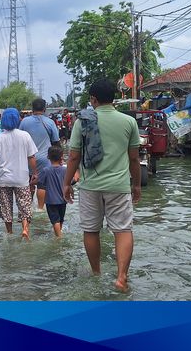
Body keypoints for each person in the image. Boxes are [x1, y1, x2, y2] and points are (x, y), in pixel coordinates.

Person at [62, 79, 141, 292]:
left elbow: (73, 157)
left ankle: (96, 272)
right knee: (123, 230)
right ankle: (121, 277)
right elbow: (134, 159)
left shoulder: (82, 121)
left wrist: (66, 183)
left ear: (93, 99)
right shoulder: (128, 122)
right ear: (114, 98)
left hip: (90, 186)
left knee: (91, 230)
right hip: (119, 186)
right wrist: (137, 185)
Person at [0, 108, 37, 239]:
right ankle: (25, 229)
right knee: (24, 205)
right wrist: (35, 173)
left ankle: (9, 232)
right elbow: (31, 157)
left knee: (6, 207)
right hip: (21, 178)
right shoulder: (25, 136)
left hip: (3, 179)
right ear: (18, 119)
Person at [18, 99, 60, 209]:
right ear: (44, 109)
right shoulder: (50, 122)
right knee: (42, 185)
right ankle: (40, 209)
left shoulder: (24, 122)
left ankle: (27, 210)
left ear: (32, 109)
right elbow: (56, 142)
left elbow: (19, 139)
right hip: (45, 159)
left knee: (28, 185)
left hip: (27, 159)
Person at [37, 145, 76, 238]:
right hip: (63, 200)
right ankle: (59, 233)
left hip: (51, 201)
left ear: (48, 157)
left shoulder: (45, 170)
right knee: (61, 219)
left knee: (55, 220)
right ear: (61, 157)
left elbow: (40, 183)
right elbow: (72, 181)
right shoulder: (65, 169)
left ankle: (58, 237)